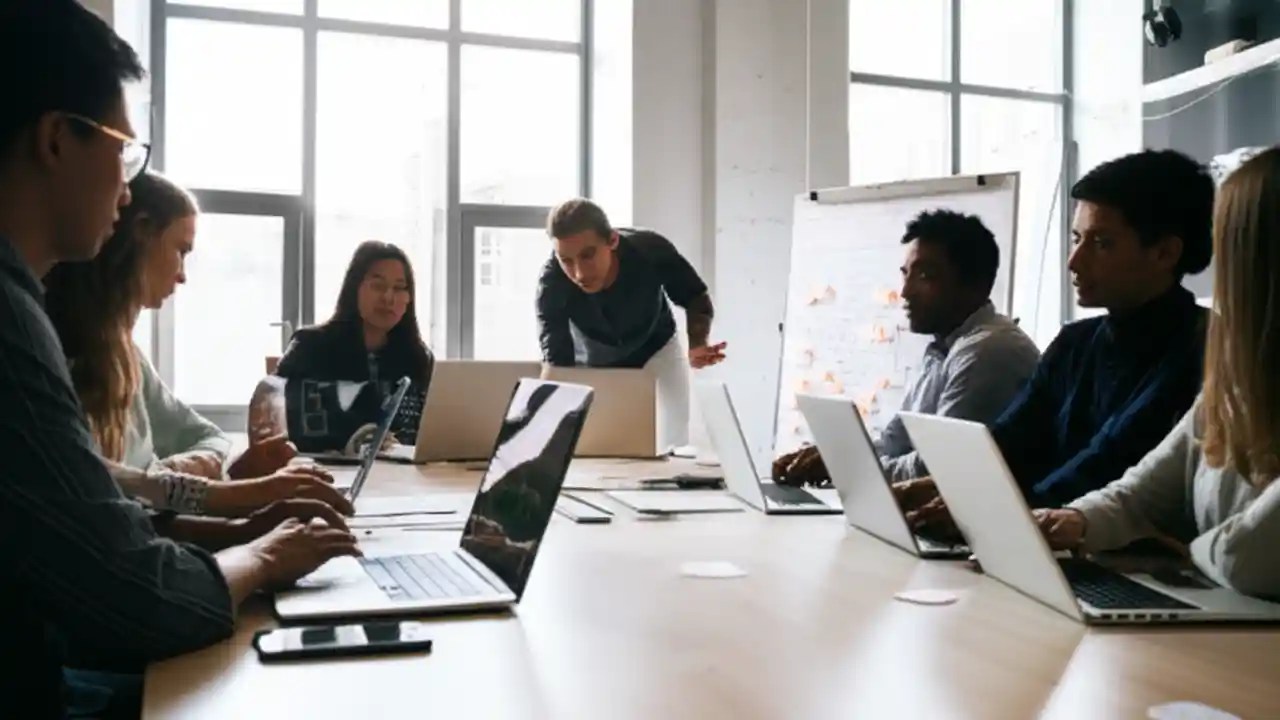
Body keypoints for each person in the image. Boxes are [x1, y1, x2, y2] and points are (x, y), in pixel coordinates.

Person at [0, 3, 358, 715]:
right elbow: (135, 596)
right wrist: (264, 553)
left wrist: (241, 512)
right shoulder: (14, 324)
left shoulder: (26, 307)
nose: (126, 183)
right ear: (56, 139)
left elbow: (102, 491)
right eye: (123, 150)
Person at [899, 149, 1215, 538]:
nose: (1074, 261)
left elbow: (1105, 462)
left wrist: (986, 510)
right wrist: (933, 487)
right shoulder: (1075, 342)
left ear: (1165, 253)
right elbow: (1008, 441)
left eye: (1102, 243)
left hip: (1118, 551)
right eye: (1076, 238)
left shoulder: (1206, 350)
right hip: (1040, 534)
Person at [1035, 147, 1280, 600]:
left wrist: (1188, 550)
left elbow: (1245, 560)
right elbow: (1140, 494)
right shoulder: (1235, 379)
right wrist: (1075, 520)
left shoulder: (1197, 348)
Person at [43, 170, 347, 518]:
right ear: (141, 233)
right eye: (181, 250)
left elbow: (212, 439)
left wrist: (175, 475)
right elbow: (104, 497)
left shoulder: (127, 357)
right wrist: (180, 486)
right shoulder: (56, 355)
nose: (183, 275)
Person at [773, 210, 1040, 486]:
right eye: (905, 274)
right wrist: (835, 457)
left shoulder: (987, 353)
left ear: (975, 285)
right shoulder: (941, 349)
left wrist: (845, 468)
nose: (905, 292)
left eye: (924, 276)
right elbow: (895, 443)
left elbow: (936, 469)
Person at [536, 198, 725, 450]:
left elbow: (694, 296)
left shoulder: (651, 249)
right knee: (593, 443)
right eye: (566, 261)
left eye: (588, 255)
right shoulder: (551, 283)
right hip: (592, 359)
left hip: (656, 348)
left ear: (612, 240)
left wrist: (698, 343)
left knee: (674, 440)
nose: (579, 273)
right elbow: (557, 363)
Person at [275, 240, 434, 445]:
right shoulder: (310, 346)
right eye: (378, 286)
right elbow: (292, 424)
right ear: (354, 288)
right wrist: (363, 437)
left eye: (399, 288)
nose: (388, 297)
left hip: (407, 464)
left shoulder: (419, 357)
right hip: (327, 463)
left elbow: (430, 431)